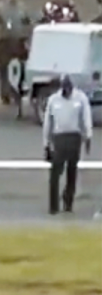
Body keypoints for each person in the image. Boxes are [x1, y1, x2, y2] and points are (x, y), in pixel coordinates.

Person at [43, 75, 93, 215]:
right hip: (59, 137)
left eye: (69, 89)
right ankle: (53, 206)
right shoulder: (53, 100)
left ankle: (68, 202)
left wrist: (88, 136)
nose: (67, 92)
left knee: (72, 171)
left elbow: (86, 117)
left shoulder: (80, 98)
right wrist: (46, 143)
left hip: (74, 137)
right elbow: (48, 123)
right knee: (55, 173)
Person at [0, 0, 32, 106]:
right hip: (5, 41)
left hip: (19, 41)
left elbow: (27, 23)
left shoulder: (22, 8)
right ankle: (5, 93)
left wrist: (27, 37)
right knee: (3, 68)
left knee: (18, 69)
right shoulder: (0, 8)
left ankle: (16, 92)